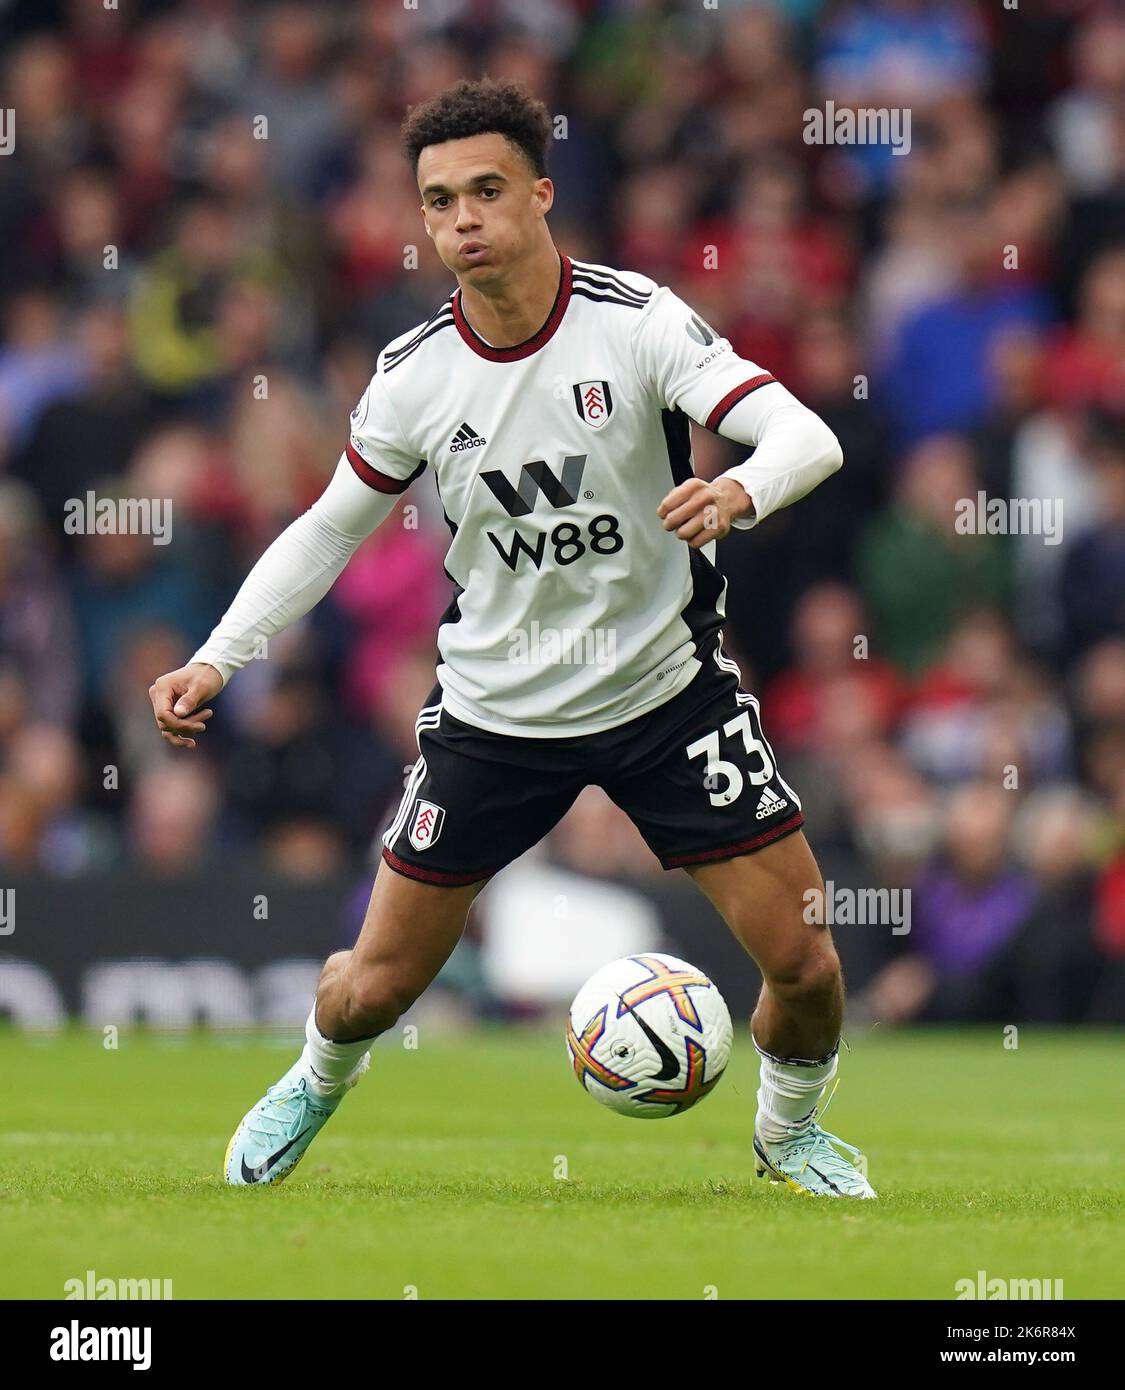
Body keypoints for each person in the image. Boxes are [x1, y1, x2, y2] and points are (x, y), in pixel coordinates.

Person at [148, 79, 872, 1198]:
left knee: (808, 966)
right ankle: (314, 1077)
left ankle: (790, 1135)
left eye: (486, 191)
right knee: (372, 988)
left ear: (540, 195)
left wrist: (741, 495)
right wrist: (216, 657)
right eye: (439, 201)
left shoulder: (638, 322)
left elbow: (804, 433)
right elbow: (325, 531)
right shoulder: (412, 377)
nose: (463, 220)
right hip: (495, 714)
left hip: (666, 694)